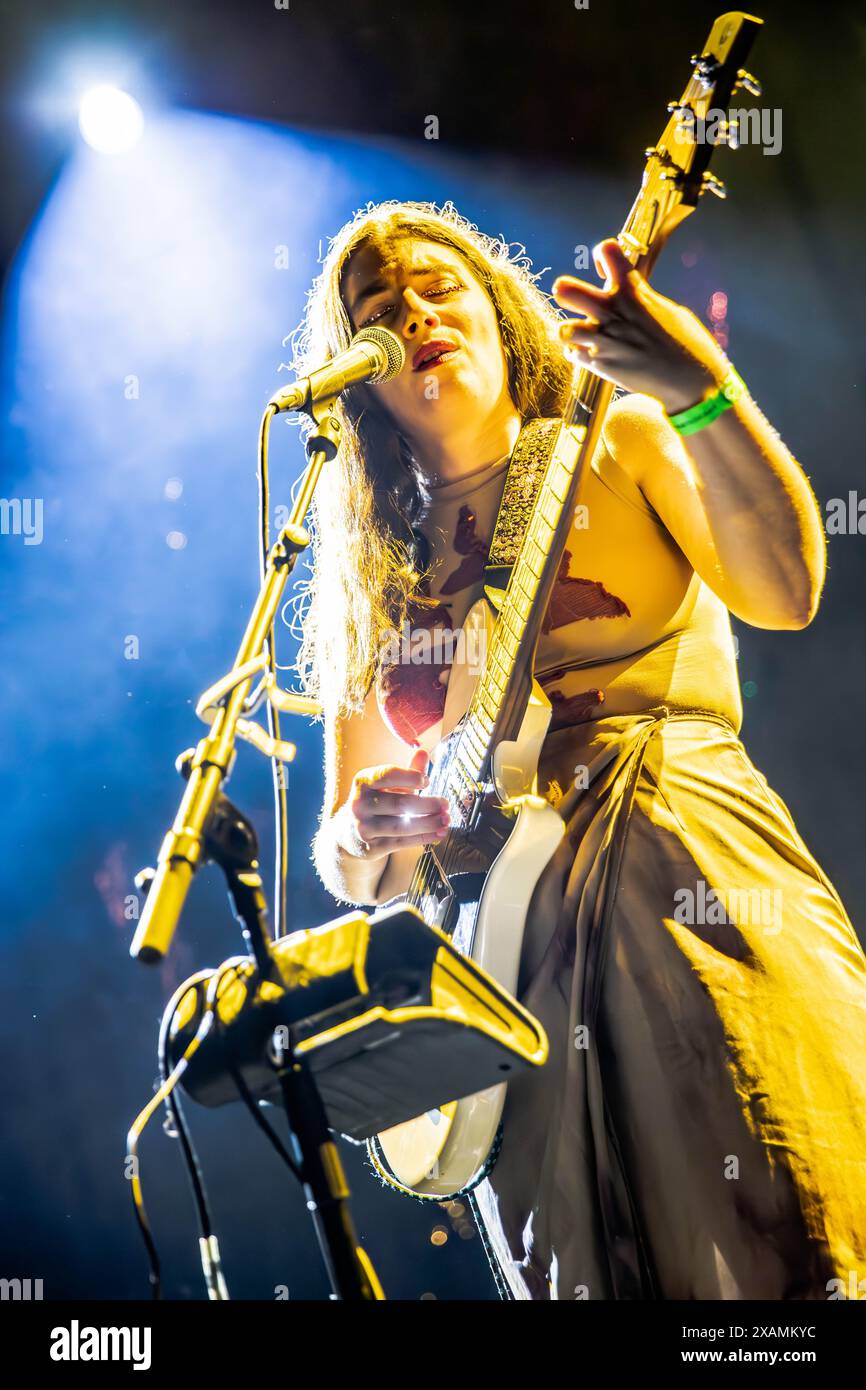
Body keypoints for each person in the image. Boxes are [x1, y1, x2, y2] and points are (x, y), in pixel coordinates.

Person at [290, 199, 866, 1300]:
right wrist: (364, 829)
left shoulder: (618, 435)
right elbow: (354, 863)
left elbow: (786, 591)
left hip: (686, 867)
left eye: (436, 285)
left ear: (503, 317)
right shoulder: (377, 581)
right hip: (509, 962)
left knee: (788, 1210)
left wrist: (698, 388)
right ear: (354, 373)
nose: (412, 311)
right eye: (377, 307)